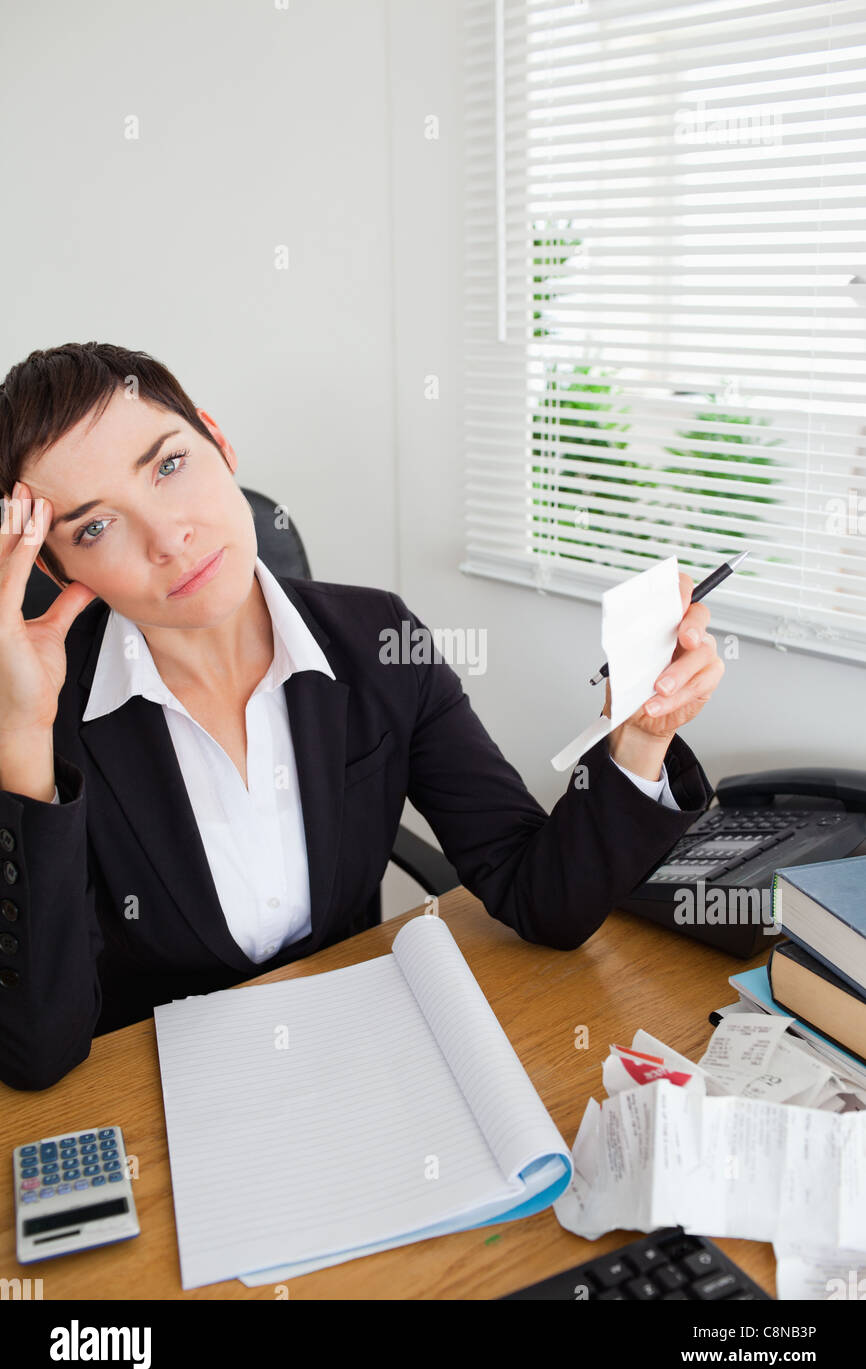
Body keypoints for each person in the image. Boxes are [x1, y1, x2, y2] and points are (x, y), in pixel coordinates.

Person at [0, 343, 723, 1090]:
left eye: (168, 465)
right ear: (54, 572)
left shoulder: (378, 641)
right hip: (156, 1096)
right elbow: (41, 1051)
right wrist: (20, 738)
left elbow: (543, 899)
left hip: (357, 1059)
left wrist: (641, 733)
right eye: (94, 528)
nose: (167, 539)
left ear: (217, 440)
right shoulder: (39, 714)